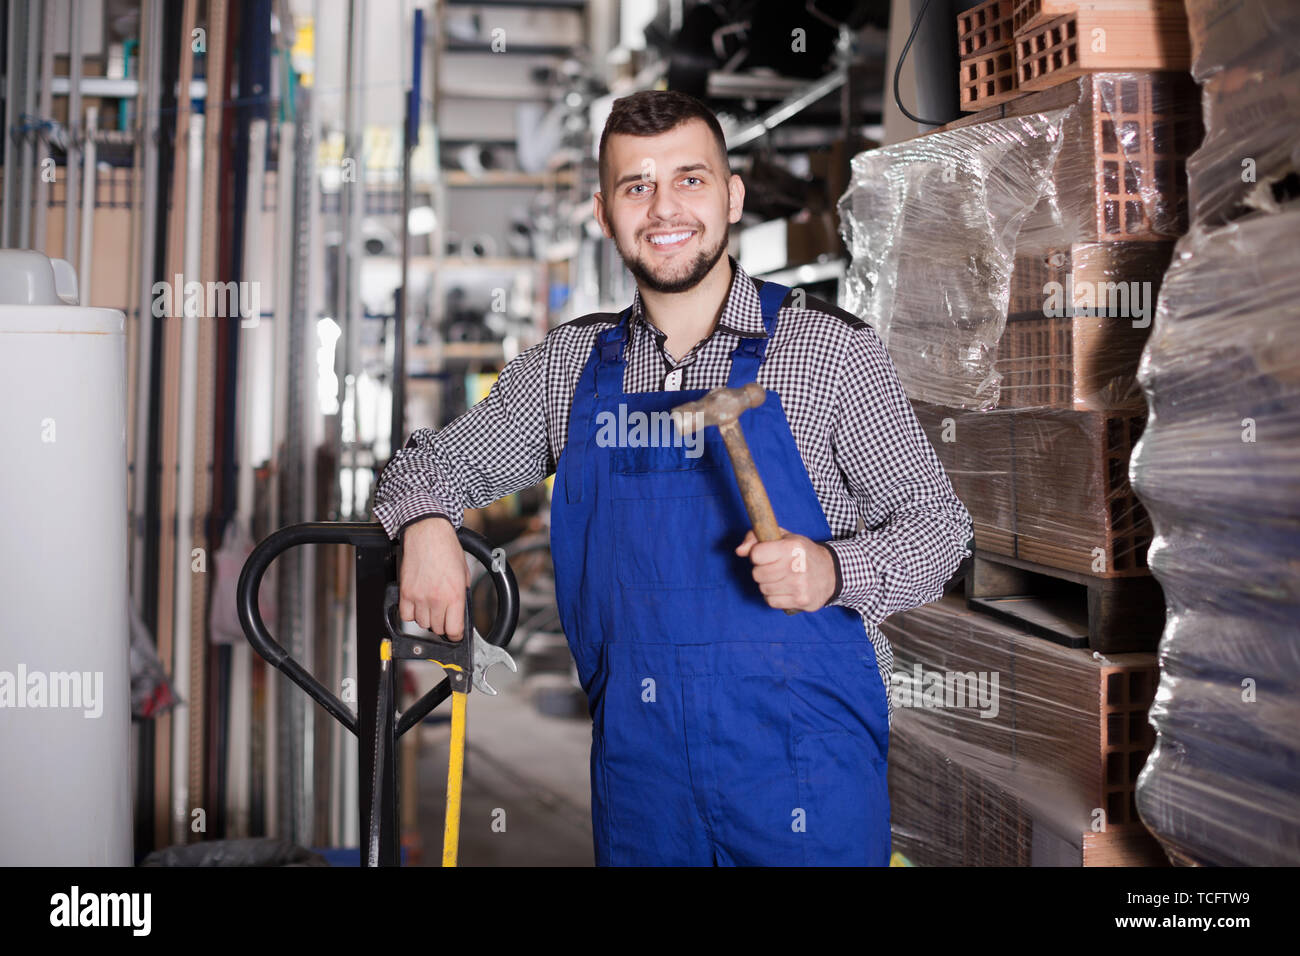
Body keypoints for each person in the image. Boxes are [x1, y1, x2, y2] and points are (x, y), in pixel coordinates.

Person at [373, 89, 973, 866]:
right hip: (643, 779)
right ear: (604, 211)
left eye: (690, 179)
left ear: (732, 196)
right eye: (637, 186)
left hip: (805, 774)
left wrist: (832, 569)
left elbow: (941, 530)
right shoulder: (570, 369)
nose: (664, 209)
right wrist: (425, 524)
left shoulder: (830, 354)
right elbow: (429, 463)